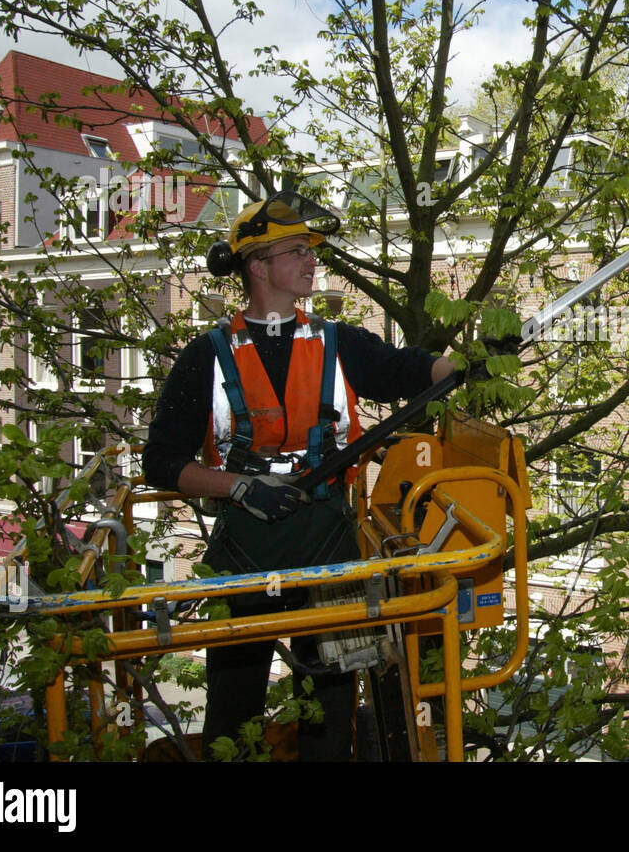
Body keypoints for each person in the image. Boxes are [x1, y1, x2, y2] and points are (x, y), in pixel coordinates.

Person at [142, 194, 455, 760]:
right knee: (234, 706)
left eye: (312, 251)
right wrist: (238, 486)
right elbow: (162, 460)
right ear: (258, 266)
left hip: (327, 539)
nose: (312, 262)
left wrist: (466, 364)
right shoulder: (206, 356)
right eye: (297, 251)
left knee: (331, 698)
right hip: (246, 543)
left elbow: (405, 370)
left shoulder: (337, 343)